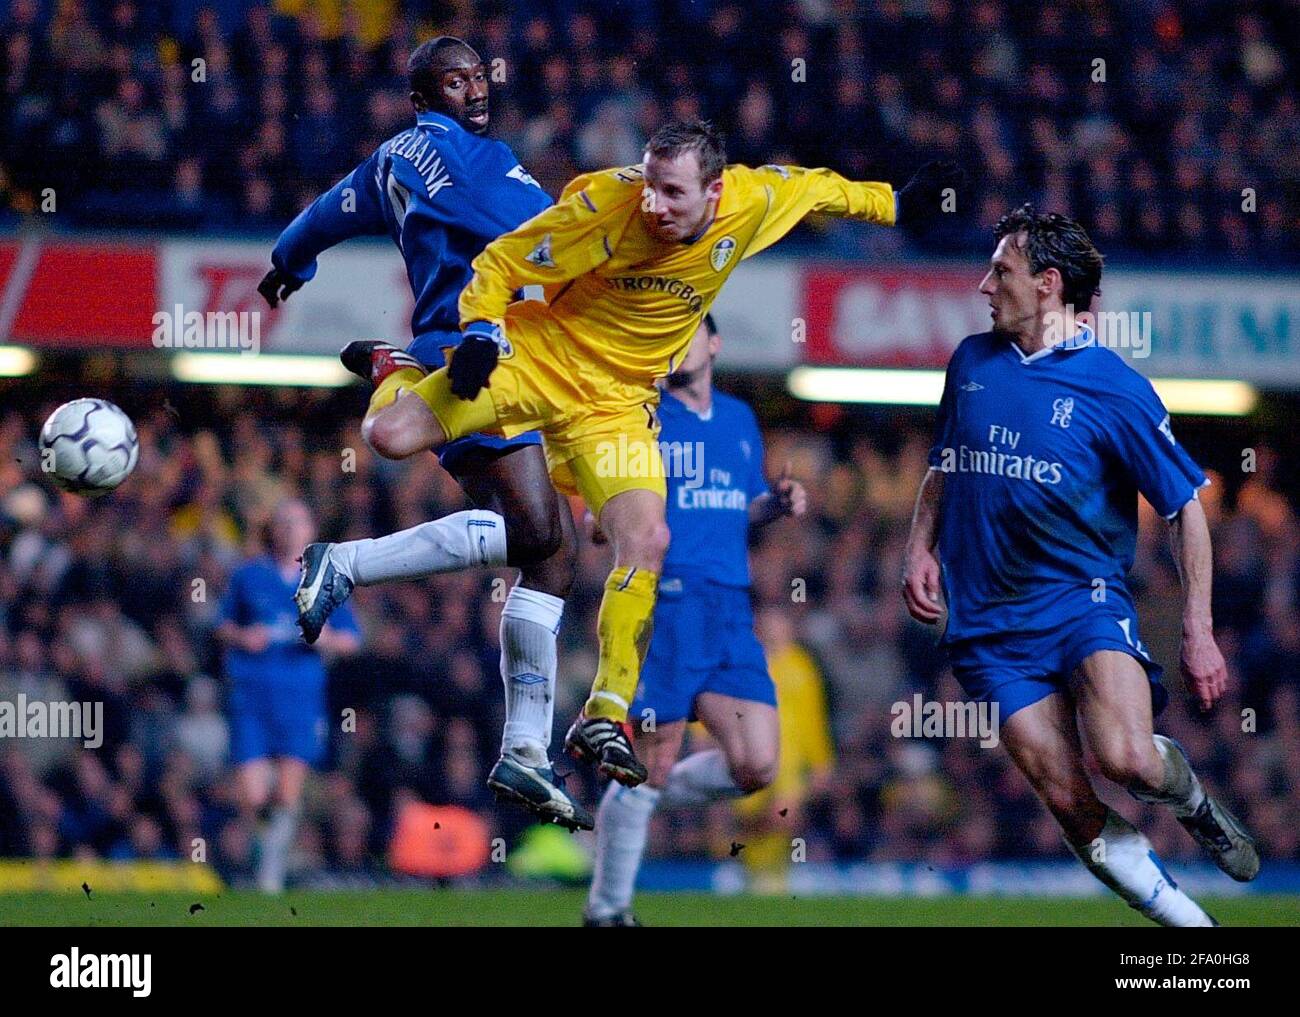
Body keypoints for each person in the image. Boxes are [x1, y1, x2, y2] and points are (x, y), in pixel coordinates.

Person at [307, 117, 959, 789]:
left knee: (645, 538)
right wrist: (477, 331)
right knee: (388, 439)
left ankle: (605, 711)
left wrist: (897, 201)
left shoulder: (754, 200)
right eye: (650, 184)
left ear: (714, 191)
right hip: (540, 360)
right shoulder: (605, 205)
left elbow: (821, 190)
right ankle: (396, 371)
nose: (655, 203)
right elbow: (502, 261)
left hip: (615, 407)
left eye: (673, 192)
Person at [258, 37, 589, 830]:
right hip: (481, 361)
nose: (474, 89)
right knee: (544, 541)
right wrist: (606, 258)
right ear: (422, 96)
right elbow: (533, 225)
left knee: (546, 546)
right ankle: (344, 560)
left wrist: (286, 260)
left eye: (479, 74)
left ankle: (525, 751)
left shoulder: (388, 161)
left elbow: (329, 209)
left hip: (460, 356)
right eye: (455, 80)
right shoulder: (475, 156)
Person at [901, 204, 1259, 926]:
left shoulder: (1114, 387)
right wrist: (919, 543)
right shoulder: (969, 362)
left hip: (1081, 602)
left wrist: (1197, 628)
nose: (983, 285)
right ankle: (1198, 929)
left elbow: (1186, 505)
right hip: (986, 625)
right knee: (1068, 796)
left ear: (1048, 284)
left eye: (1000, 269)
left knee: (1126, 758)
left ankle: (1192, 803)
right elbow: (944, 464)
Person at [583, 313, 807, 926]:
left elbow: (741, 507)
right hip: (665, 608)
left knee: (758, 764)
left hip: (731, 612)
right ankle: (607, 910)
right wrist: (606, 519)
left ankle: (632, 801)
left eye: (689, 333)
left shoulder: (739, 419)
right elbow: (599, 515)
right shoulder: (641, 417)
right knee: (653, 757)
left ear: (715, 343)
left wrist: (775, 505)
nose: (677, 344)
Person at [215, 498, 360, 892]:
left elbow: (352, 640)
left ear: (311, 530)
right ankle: (269, 858)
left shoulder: (325, 580)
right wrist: (244, 637)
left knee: (286, 792)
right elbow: (221, 626)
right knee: (253, 793)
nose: (289, 530)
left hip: (300, 697)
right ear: (272, 531)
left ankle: (270, 874)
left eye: (297, 522)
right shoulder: (248, 575)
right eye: (282, 523)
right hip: (252, 694)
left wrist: (324, 639)